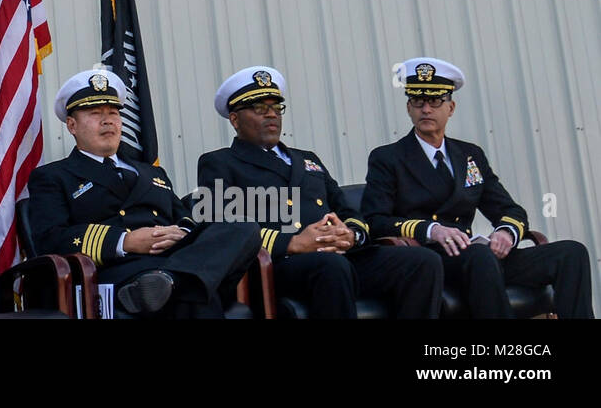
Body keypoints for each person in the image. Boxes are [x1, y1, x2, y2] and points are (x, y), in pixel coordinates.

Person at [197, 66, 442, 318]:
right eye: (259, 108)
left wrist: (352, 235)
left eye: (276, 107)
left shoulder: (307, 159)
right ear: (235, 120)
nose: (271, 115)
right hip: (282, 264)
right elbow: (222, 225)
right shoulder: (220, 163)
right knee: (331, 266)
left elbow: (345, 207)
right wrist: (293, 242)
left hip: (340, 256)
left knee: (422, 262)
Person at [361, 57, 593, 318]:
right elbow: (375, 220)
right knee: (479, 255)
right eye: (418, 101)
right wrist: (432, 229)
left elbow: (509, 209)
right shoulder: (388, 157)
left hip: (478, 255)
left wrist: (506, 233)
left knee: (571, 253)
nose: (426, 109)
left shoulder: (469, 155)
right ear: (408, 108)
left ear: (451, 107)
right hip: (433, 258)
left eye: (435, 101)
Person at [26, 68, 260, 317]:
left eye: (114, 113)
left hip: (174, 263)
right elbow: (51, 238)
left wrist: (181, 232)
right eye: (95, 113)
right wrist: (125, 241)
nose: (108, 121)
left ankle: (169, 281)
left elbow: (185, 216)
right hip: (121, 269)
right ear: (72, 125)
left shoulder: (152, 173)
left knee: (241, 225)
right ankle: (170, 284)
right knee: (197, 296)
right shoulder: (53, 176)